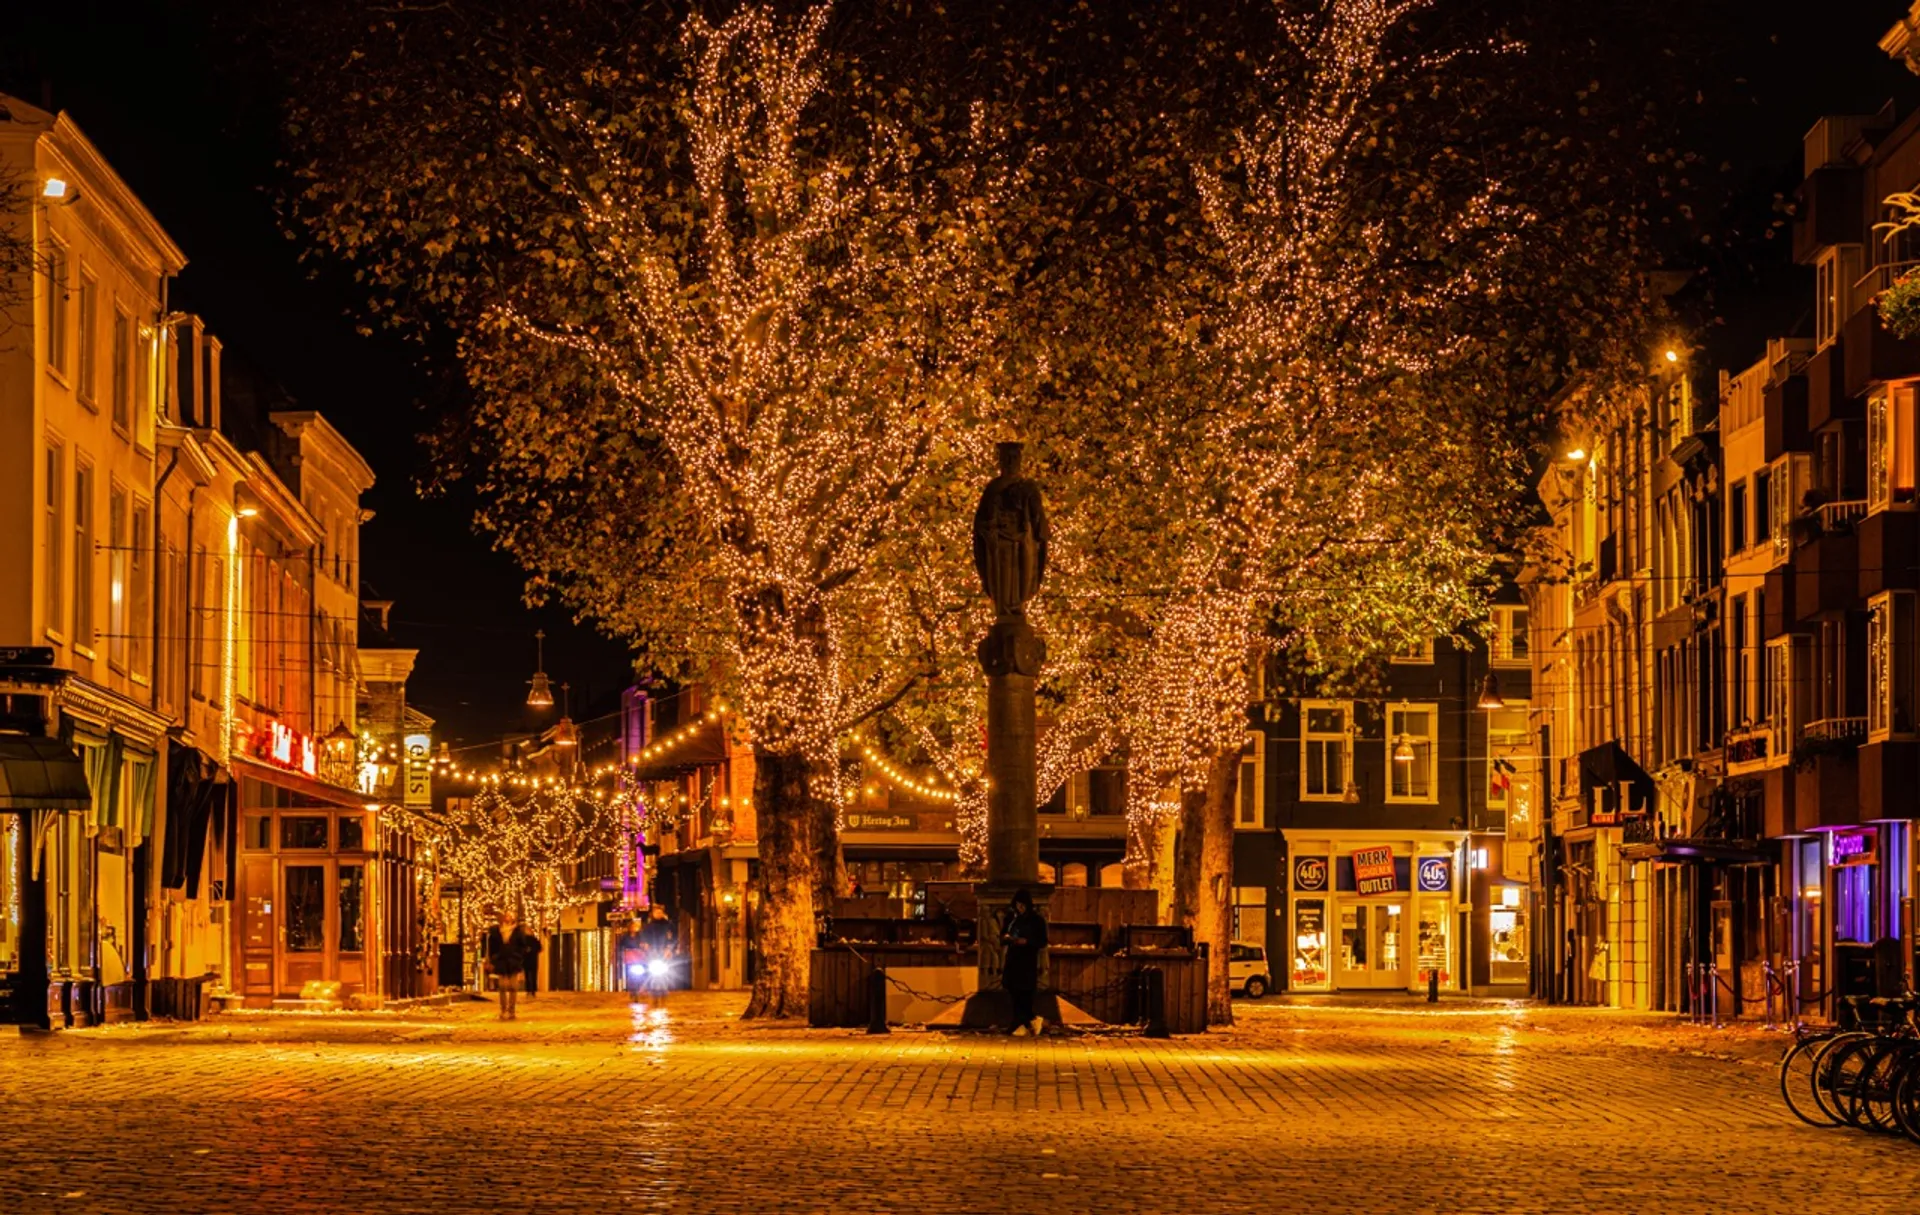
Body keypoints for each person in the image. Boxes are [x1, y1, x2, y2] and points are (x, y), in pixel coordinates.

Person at [1001, 888, 1047, 1036]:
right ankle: (1027, 1020)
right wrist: (1008, 938)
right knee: (1014, 990)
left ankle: (1024, 1021)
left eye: (1022, 905)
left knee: (1025, 992)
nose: (1019, 908)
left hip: (1027, 959)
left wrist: (1027, 941)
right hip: (1013, 957)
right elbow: (1002, 935)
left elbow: (1042, 941)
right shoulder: (1012, 918)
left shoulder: (1036, 920)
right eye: (1017, 905)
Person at [483, 910, 533, 1021]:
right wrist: (492, 959)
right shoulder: (497, 931)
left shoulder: (517, 932)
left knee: (513, 987)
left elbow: (522, 946)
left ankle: (511, 1010)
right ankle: (503, 1009)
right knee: (502, 986)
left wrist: (518, 956)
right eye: (507, 915)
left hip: (513, 962)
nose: (508, 918)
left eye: (511, 916)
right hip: (501, 961)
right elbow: (491, 946)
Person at [637, 904, 676, 1006]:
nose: (658, 914)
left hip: (664, 952)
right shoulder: (648, 926)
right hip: (652, 952)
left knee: (667, 971)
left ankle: (665, 988)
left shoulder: (668, 925)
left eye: (660, 912)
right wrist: (646, 945)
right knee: (650, 971)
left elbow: (673, 937)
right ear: (653, 914)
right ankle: (649, 989)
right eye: (656, 912)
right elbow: (644, 937)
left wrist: (669, 948)